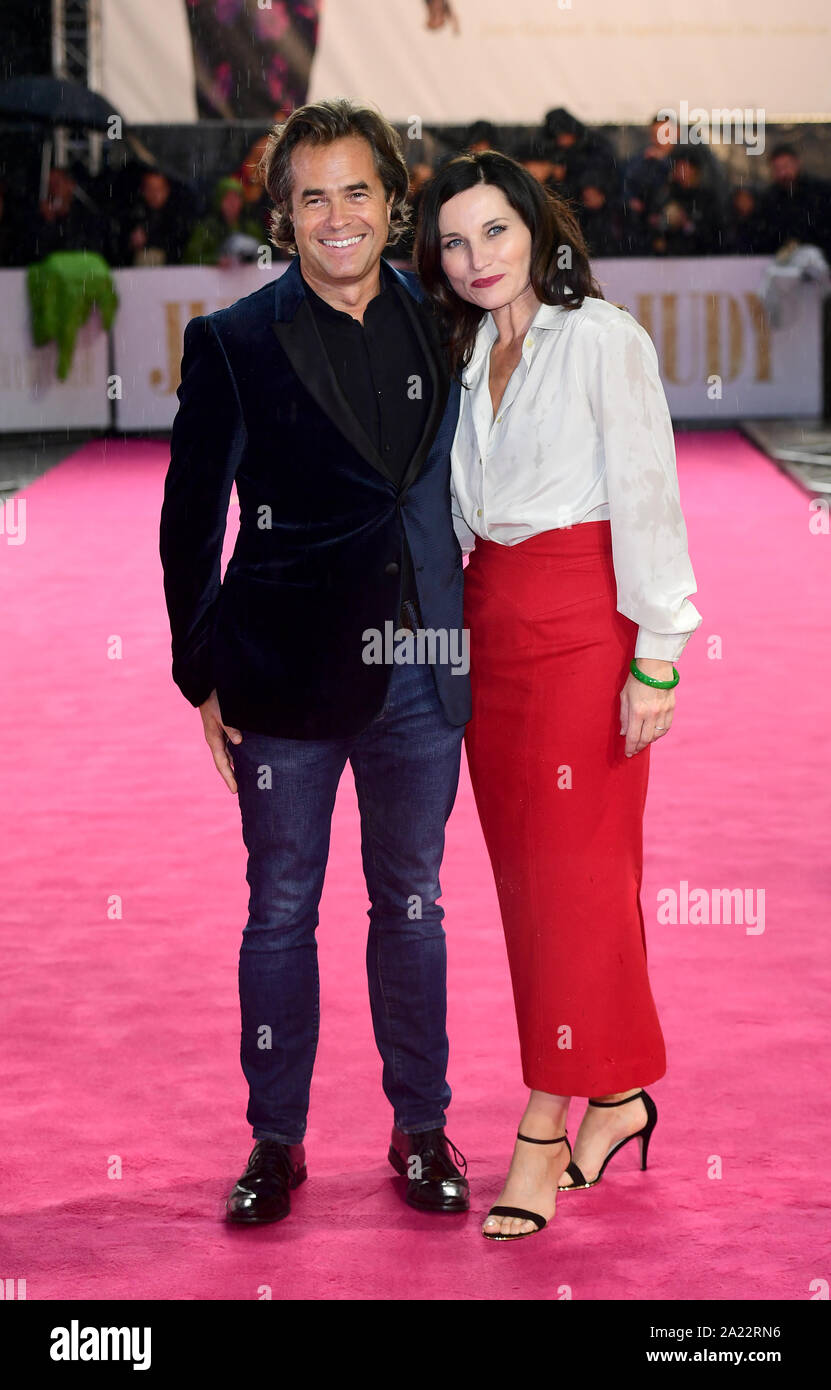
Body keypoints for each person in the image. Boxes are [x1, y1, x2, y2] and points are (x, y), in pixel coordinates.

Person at [159, 98, 472, 1226]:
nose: (335, 216)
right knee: (281, 910)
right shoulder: (234, 342)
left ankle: (421, 1125)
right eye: (310, 198)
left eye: (356, 192)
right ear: (282, 216)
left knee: (415, 903)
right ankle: (275, 1144)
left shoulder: (450, 322)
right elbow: (189, 517)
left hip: (422, 673)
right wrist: (201, 672)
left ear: (394, 205)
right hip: (282, 680)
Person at [415, 151, 702, 1240]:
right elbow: (454, 519)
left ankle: (547, 1117)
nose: (477, 257)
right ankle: (618, 1094)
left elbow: (648, 490)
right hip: (492, 641)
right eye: (454, 240)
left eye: (495, 230)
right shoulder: (468, 350)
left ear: (537, 228)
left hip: (587, 631)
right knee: (536, 889)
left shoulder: (603, 340)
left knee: (580, 880)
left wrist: (657, 654)